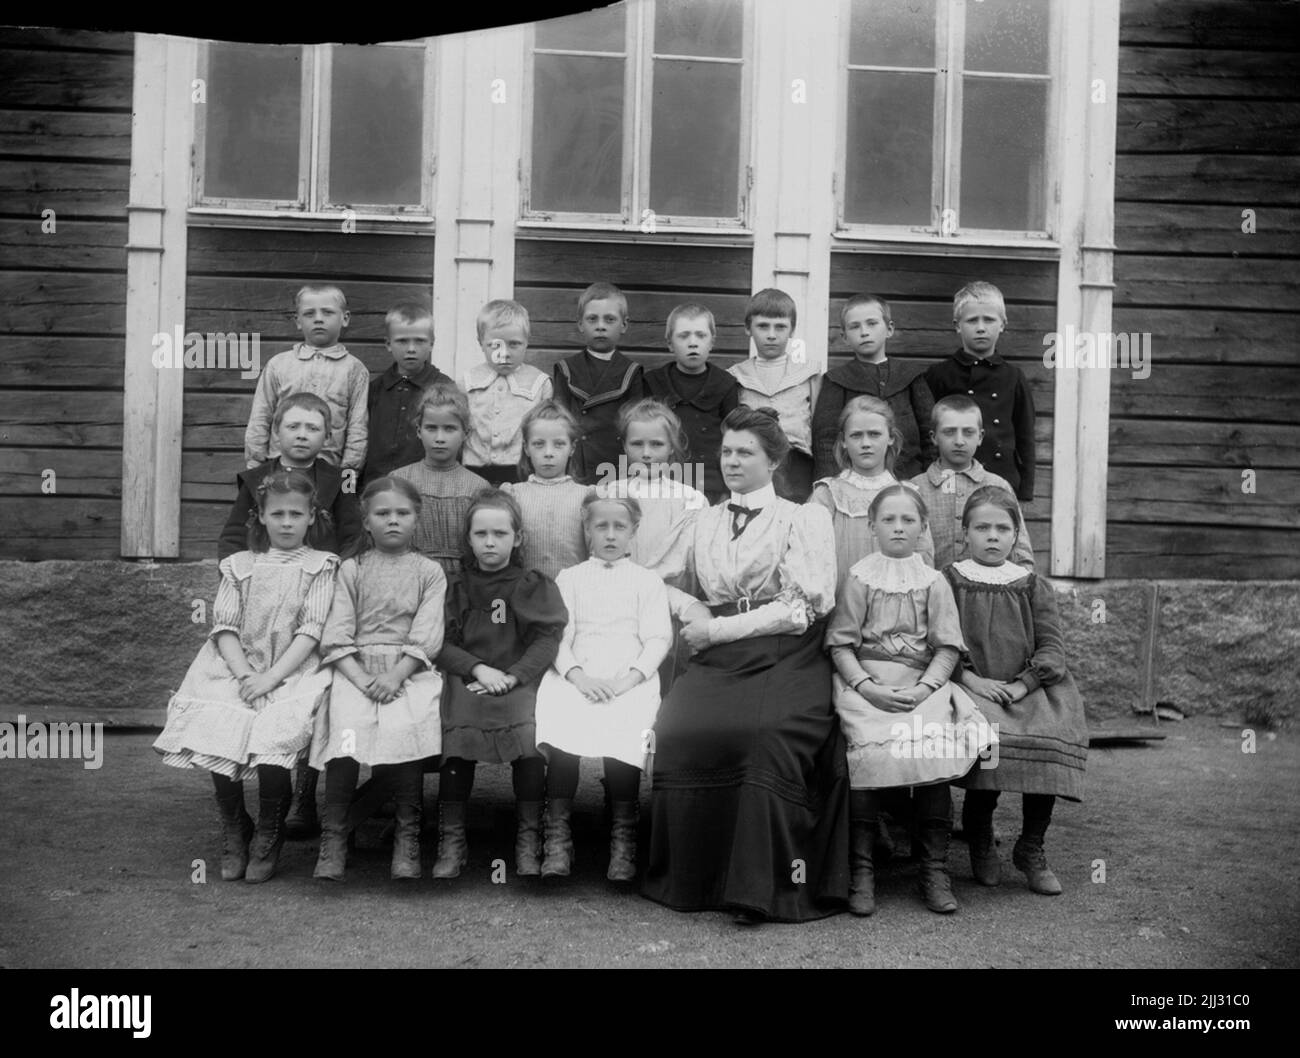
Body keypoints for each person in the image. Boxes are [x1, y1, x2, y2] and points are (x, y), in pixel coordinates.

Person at [643, 405, 848, 924]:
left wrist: (715, 628)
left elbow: (802, 609)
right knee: (680, 728)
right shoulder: (702, 521)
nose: (732, 461)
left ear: (774, 460)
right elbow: (651, 580)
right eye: (727, 451)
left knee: (763, 733)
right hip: (718, 657)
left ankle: (761, 886)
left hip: (786, 652)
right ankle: (693, 880)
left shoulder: (804, 518)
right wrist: (688, 606)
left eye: (745, 453)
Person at [153, 470, 338, 883]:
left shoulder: (322, 566)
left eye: (295, 514)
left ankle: (271, 830)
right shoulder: (239, 565)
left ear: (312, 517)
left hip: (292, 666)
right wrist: (243, 676)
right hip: (235, 664)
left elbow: (312, 629)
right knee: (220, 721)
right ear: (260, 517)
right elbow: (225, 627)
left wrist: (271, 678)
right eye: (277, 514)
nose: (286, 522)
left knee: (275, 728)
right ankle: (236, 826)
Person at [824, 484, 995, 916]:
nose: (898, 528)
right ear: (872, 527)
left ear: (922, 528)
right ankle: (861, 869)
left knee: (933, 756)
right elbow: (841, 644)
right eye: (888, 520)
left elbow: (948, 647)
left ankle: (933, 869)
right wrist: (867, 687)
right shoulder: (859, 578)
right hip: (867, 685)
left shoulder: (933, 581)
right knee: (866, 756)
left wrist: (925, 689)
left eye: (908, 521)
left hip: (922, 685)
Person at [943, 485, 1087, 895]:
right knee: (987, 746)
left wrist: (1026, 684)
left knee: (1050, 733)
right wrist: (970, 679)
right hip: (974, 685)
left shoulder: (1030, 583)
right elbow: (940, 640)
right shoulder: (950, 580)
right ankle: (981, 838)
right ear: (966, 532)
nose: (992, 536)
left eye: (1002, 528)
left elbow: (1052, 646)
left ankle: (1031, 846)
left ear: (1015, 534)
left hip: (1027, 687)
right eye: (982, 527)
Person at [309, 476, 447, 882]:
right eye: (382, 514)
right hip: (355, 670)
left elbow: (427, 633)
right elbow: (336, 632)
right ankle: (333, 838)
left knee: (408, 725)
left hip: (409, 669)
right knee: (347, 730)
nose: (393, 521)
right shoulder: (351, 569)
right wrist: (361, 676)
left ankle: (407, 838)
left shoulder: (429, 571)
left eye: (402, 513)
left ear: (416, 520)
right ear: (366, 522)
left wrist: (397, 674)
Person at [431, 489, 569, 879]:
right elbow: (439, 643)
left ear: (518, 538)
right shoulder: (456, 586)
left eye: (500, 534)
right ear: (468, 539)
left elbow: (547, 638)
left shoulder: (531, 584)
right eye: (481, 535)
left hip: (518, 679)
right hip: (467, 679)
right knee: (457, 733)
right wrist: (477, 669)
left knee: (527, 734)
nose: (490, 543)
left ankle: (528, 839)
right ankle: (452, 840)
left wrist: (514, 676)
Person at [534, 494, 672, 881]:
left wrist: (626, 680)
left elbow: (659, 639)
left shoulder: (647, 581)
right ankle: (558, 837)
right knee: (563, 723)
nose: (610, 535)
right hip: (578, 673)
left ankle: (623, 839)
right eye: (601, 526)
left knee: (626, 727)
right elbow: (558, 635)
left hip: (628, 676)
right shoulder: (570, 578)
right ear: (587, 530)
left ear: (634, 532)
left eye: (619, 527)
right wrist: (578, 676)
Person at [808, 395, 935, 592]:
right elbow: (811, 558)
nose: (865, 443)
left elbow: (923, 559)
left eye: (875, 434)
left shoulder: (908, 496)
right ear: (843, 441)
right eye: (856, 435)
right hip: (840, 607)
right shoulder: (828, 495)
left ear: (891, 438)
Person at [924, 281, 1036, 501]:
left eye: (989, 320)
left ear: (1002, 324)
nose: (981, 327)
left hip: (1001, 480)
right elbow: (927, 434)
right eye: (972, 320)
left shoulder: (1013, 377)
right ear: (957, 325)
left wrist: (1024, 493)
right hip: (950, 479)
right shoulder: (939, 375)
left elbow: (1026, 438)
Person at [220, 392, 363, 561]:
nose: (302, 435)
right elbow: (233, 538)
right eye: (293, 426)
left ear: (327, 437)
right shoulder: (254, 478)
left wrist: (341, 575)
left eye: (313, 428)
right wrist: (235, 575)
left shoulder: (344, 479)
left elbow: (353, 536)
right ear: (276, 431)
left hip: (323, 576)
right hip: (265, 572)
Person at [244, 284, 369, 474]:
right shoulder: (279, 365)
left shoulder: (355, 370)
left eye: (327, 312)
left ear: (345, 318)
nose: (318, 319)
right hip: (279, 471)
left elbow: (357, 429)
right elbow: (260, 419)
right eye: (309, 314)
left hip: (330, 474)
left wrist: (347, 487)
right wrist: (255, 472)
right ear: (298, 320)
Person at [812, 293, 933, 481]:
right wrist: (831, 487)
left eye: (872, 323)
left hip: (910, 480)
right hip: (854, 483)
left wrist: (929, 481)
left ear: (889, 329)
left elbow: (930, 435)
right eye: (854, 326)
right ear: (844, 337)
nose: (864, 332)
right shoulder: (836, 380)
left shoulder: (910, 376)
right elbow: (825, 442)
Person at [909, 395, 1035, 569]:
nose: (959, 441)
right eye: (949, 432)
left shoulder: (998, 486)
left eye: (968, 432)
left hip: (987, 591)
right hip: (933, 591)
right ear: (934, 437)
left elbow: (1021, 552)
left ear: (981, 436)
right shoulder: (915, 489)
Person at [727, 288, 822, 502]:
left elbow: (818, 428)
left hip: (798, 467)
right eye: (762, 326)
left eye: (780, 327)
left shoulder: (809, 375)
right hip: (751, 464)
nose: (771, 335)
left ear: (792, 329)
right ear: (748, 328)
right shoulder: (736, 377)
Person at [642, 303, 740, 503]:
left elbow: (733, 439)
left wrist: (727, 489)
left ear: (712, 342)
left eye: (700, 335)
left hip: (711, 486)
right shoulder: (653, 382)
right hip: (663, 485)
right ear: (670, 343)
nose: (693, 343)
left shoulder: (725, 384)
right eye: (683, 336)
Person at [392, 383, 490, 578]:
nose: (439, 438)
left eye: (449, 429)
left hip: (463, 582)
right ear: (419, 431)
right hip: (409, 576)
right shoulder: (399, 481)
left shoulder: (478, 487)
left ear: (466, 434)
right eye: (431, 428)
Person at [596, 399, 708, 570]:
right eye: (637, 444)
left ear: (671, 447)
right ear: (624, 446)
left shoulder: (690, 499)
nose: (646, 453)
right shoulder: (609, 494)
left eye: (657, 444)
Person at [552, 282, 646, 484]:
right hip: (576, 464)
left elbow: (636, 426)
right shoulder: (566, 369)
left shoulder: (631, 372)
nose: (600, 326)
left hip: (615, 466)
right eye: (592, 319)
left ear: (624, 325)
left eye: (609, 319)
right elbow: (558, 423)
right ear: (580, 324)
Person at [463, 299, 553, 486]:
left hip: (520, 472)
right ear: (481, 342)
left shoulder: (540, 383)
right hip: (473, 470)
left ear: (526, 342)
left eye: (514, 344)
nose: (504, 353)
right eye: (495, 345)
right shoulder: (466, 382)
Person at [361, 301, 452, 487]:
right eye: (402, 341)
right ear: (388, 344)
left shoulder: (444, 387)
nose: (411, 349)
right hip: (377, 486)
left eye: (419, 341)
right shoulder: (374, 390)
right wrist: (350, 492)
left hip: (426, 487)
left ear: (431, 344)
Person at [501, 401, 594, 580]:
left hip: (572, 597)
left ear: (572, 448)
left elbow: (595, 556)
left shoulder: (587, 497)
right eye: (538, 444)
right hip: (526, 597)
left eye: (558, 444)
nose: (548, 452)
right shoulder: (513, 495)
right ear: (526, 447)